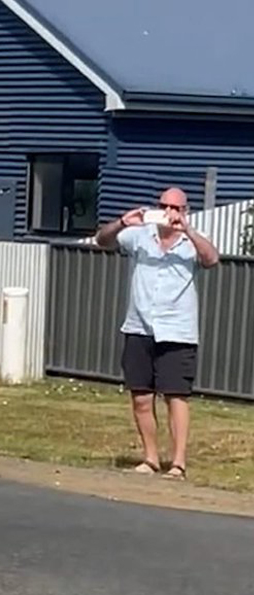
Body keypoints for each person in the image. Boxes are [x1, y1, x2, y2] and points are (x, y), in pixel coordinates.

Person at [94, 187, 220, 481]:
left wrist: (186, 230)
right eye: (164, 205)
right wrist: (123, 222)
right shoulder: (140, 235)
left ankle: (178, 463)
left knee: (176, 396)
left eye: (175, 207)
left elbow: (212, 259)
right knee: (140, 396)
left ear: (185, 211)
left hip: (177, 330)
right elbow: (103, 241)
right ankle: (150, 458)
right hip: (139, 326)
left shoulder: (191, 241)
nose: (169, 212)